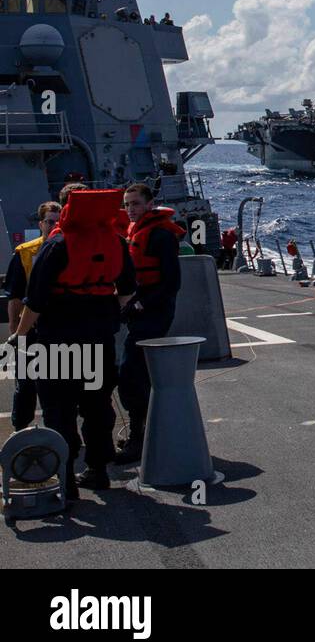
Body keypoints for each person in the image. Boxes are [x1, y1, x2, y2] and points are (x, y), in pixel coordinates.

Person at [10, 189, 135, 498]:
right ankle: (97, 470)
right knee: (97, 406)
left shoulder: (55, 245)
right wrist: (106, 311)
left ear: (68, 211)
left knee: (59, 410)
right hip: (99, 339)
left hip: (59, 343)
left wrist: (20, 334)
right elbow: (129, 289)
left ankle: (65, 477)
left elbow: (35, 300)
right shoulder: (117, 242)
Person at [115, 183, 183, 463]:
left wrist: (141, 304)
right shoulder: (137, 232)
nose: (130, 209)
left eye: (136, 204)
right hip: (140, 311)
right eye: (127, 204)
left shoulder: (161, 236)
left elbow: (171, 283)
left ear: (150, 204)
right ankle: (143, 433)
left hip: (154, 314)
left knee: (132, 374)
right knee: (136, 374)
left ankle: (138, 439)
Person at [3, 201, 60, 430]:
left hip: (60, 329)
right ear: (40, 224)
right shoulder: (25, 253)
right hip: (30, 330)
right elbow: (15, 296)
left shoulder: (71, 250)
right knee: (26, 385)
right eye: (49, 221)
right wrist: (15, 331)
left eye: (58, 221)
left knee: (57, 385)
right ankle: (20, 431)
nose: (53, 225)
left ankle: (57, 432)